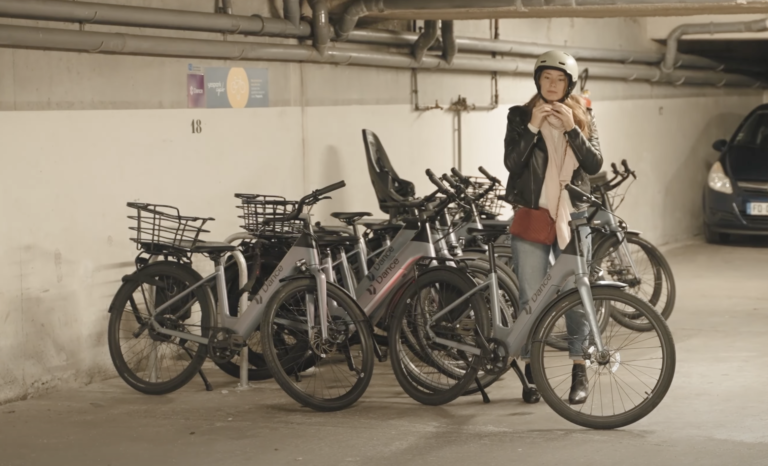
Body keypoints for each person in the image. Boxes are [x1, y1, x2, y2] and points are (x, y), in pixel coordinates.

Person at [503, 51, 603, 405]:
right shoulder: (519, 116)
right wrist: (532, 126)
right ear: (537, 81)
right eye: (546, 78)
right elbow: (512, 164)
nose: (552, 85)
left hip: (573, 217)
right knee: (531, 297)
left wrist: (573, 128)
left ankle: (579, 368)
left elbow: (593, 164)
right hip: (533, 214)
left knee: (576, 295)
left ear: (569, 84)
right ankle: (532, 371)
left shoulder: (583, 117)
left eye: (559, 80)